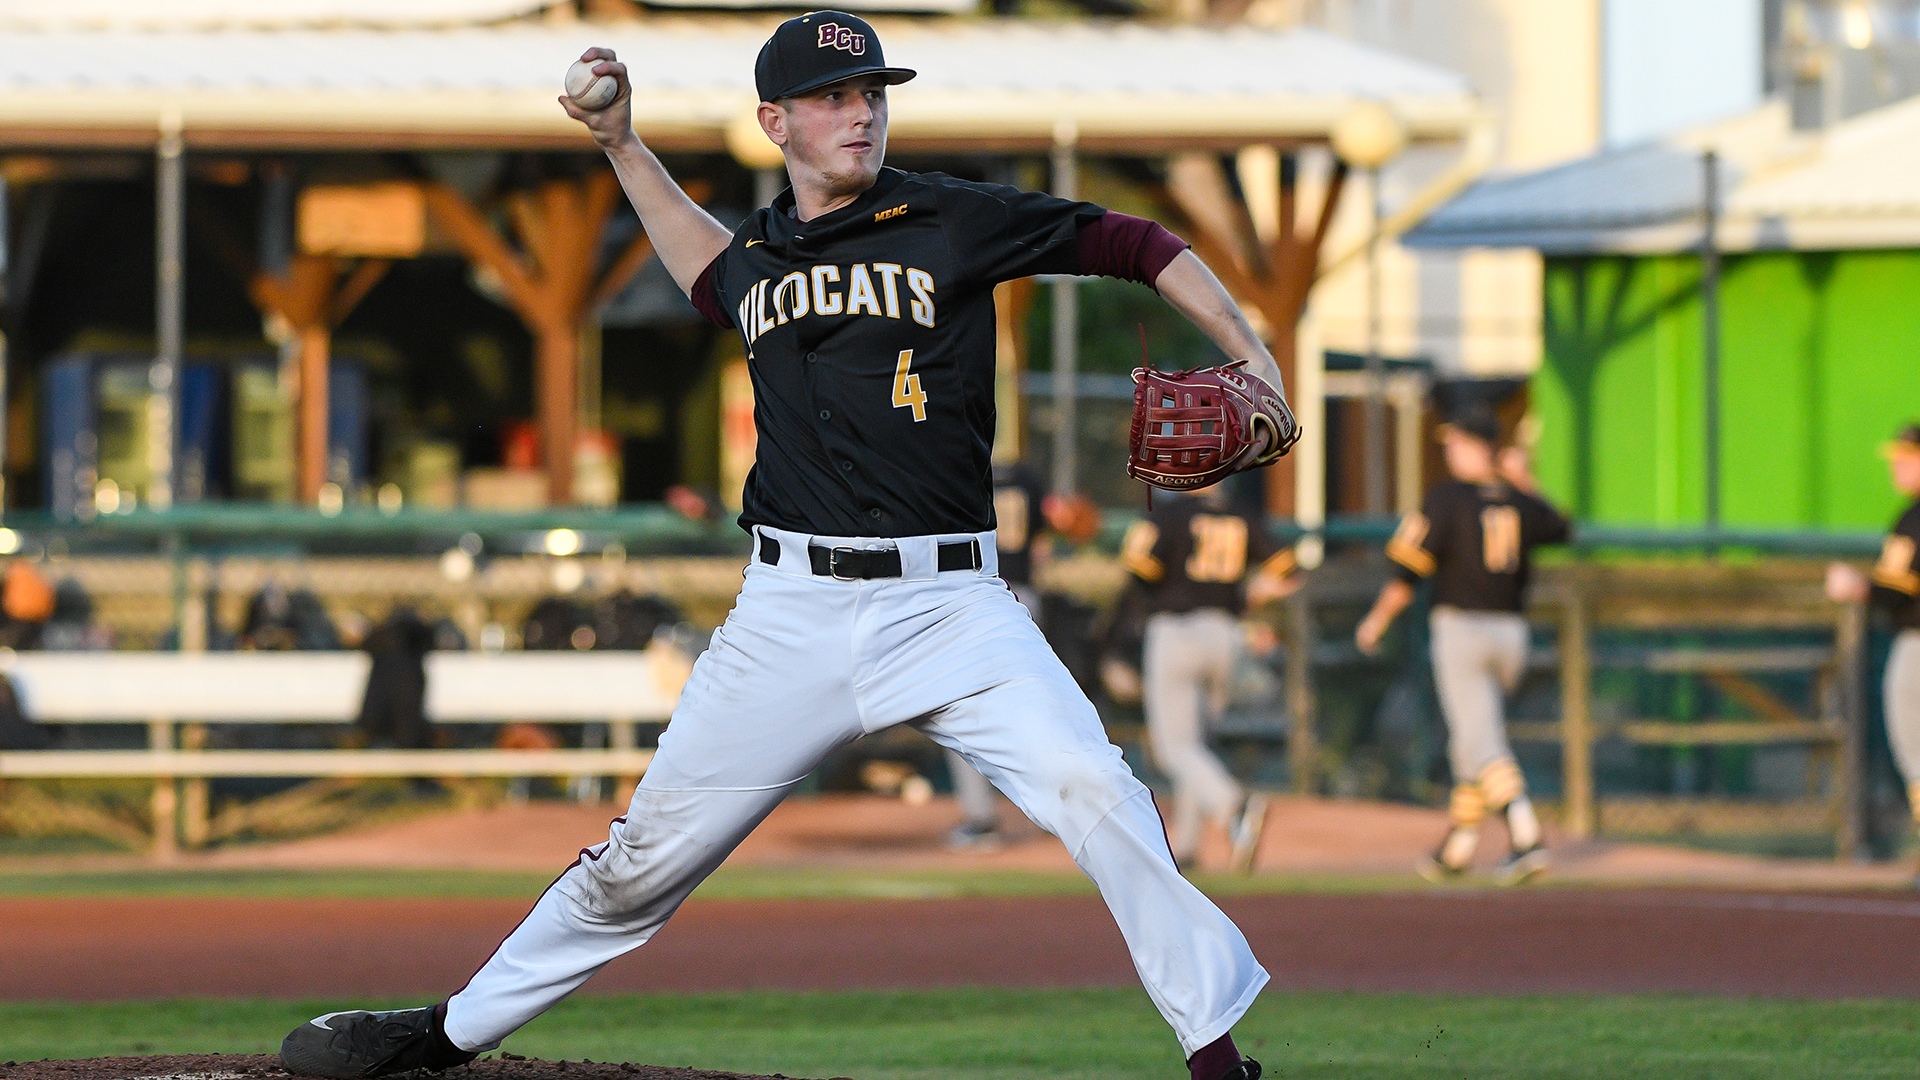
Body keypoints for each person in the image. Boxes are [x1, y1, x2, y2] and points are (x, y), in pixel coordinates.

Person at [279, 14, 1286, 1080]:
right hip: (788, 613)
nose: (860, 112)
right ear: (776, 122)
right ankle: (443, 1035)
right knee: (641, 864)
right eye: (832, 97)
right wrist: (621, 143)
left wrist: (1251, 352)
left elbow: (1132, 242)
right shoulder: (760, 254)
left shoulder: (952, 219)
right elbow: (703, 269)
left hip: (954, 607)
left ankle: (1216, 1059)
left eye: (872, 94)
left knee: (1099, 792)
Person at [1355, 405, 1568, 886]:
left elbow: (1408, 571)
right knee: (1469, 741)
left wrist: (1377, 619)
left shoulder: (1446, 499)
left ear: (1477, 447)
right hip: (1512, 635)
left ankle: (1526, 832)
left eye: (1455, 442)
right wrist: (1522, 480)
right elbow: (1562, 526)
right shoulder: (1518, 501)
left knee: (1483, 741)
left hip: (1464, 631)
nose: (1449, 450)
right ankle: (1458, 848)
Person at [1120, 484, 1297, 873]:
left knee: (1175, 749)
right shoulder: (1241, 512)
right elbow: (1289, 570)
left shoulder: (1167, 514)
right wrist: (1246, 597)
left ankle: (1233, 807)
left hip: (1176, 631)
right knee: (1196, 747)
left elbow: (1138, 572)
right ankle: (1186, 846)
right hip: (1226, 633)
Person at [1826, 422, 1920, 881]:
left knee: (1915, 751)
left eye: (1908, 457)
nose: (1898, 466)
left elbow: (1899, 592)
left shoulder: (1915, 519)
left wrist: (1857, 586)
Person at [946, 458, 1049, 849]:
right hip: (1023, 597)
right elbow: (1042, 547)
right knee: (1029, 707)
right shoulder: (1027, 477)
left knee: (956, 706)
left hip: (976, 595)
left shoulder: (960, 469)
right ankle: (1051, 805)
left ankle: (981, 818)